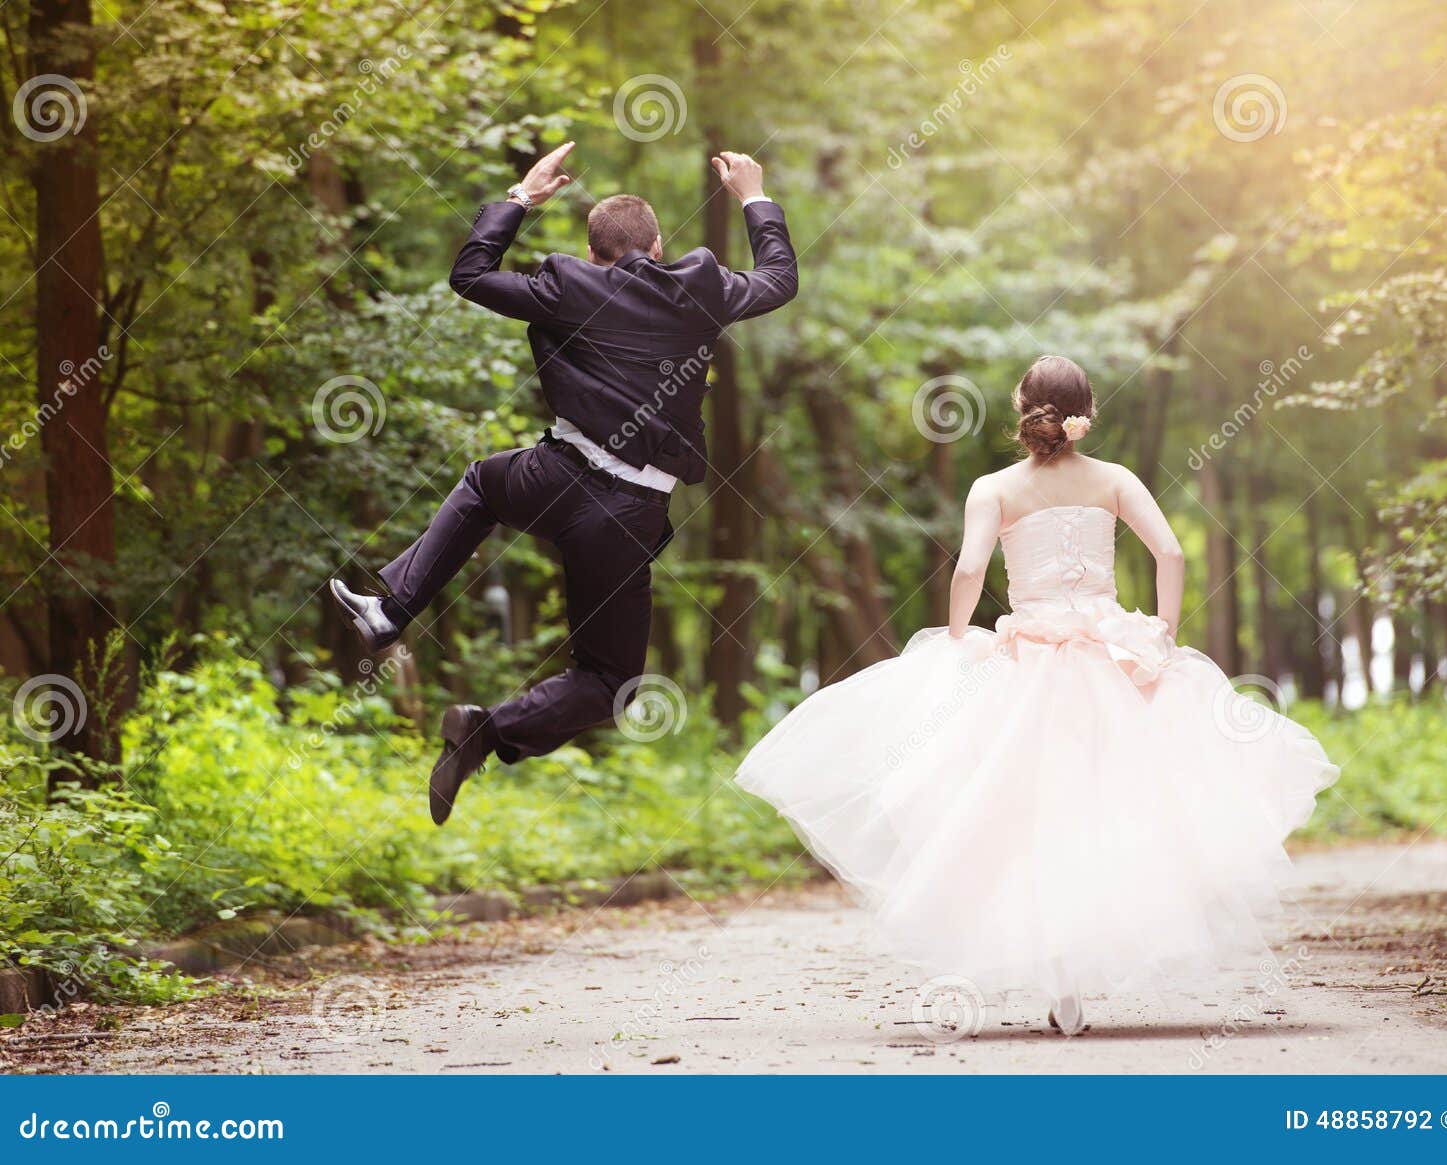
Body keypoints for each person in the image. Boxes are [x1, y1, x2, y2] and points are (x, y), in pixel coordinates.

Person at [735, 355, 1338, 1035]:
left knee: (1022, 816)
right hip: (1109, 653)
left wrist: (960, 636)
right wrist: (1161, 634)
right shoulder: (1115, 480)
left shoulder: (993, 488)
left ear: (1023, 407)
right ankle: (1079, 974)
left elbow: (968, 567)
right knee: (1115, 810)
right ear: (1087, 412)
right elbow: (1172, 553)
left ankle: (1063, 984)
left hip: (1030, 656)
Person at [329, 142, 798, 825]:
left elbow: (471, 274)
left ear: (595, 250)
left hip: (556, 476)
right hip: (627, 511)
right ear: (657, 244)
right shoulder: (699, 288)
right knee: (610, 681)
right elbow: (779, 279)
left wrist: (522, 197)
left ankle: (392, 613)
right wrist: (753, 196)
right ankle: (487, 729)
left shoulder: (566, 286)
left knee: (484, 484)